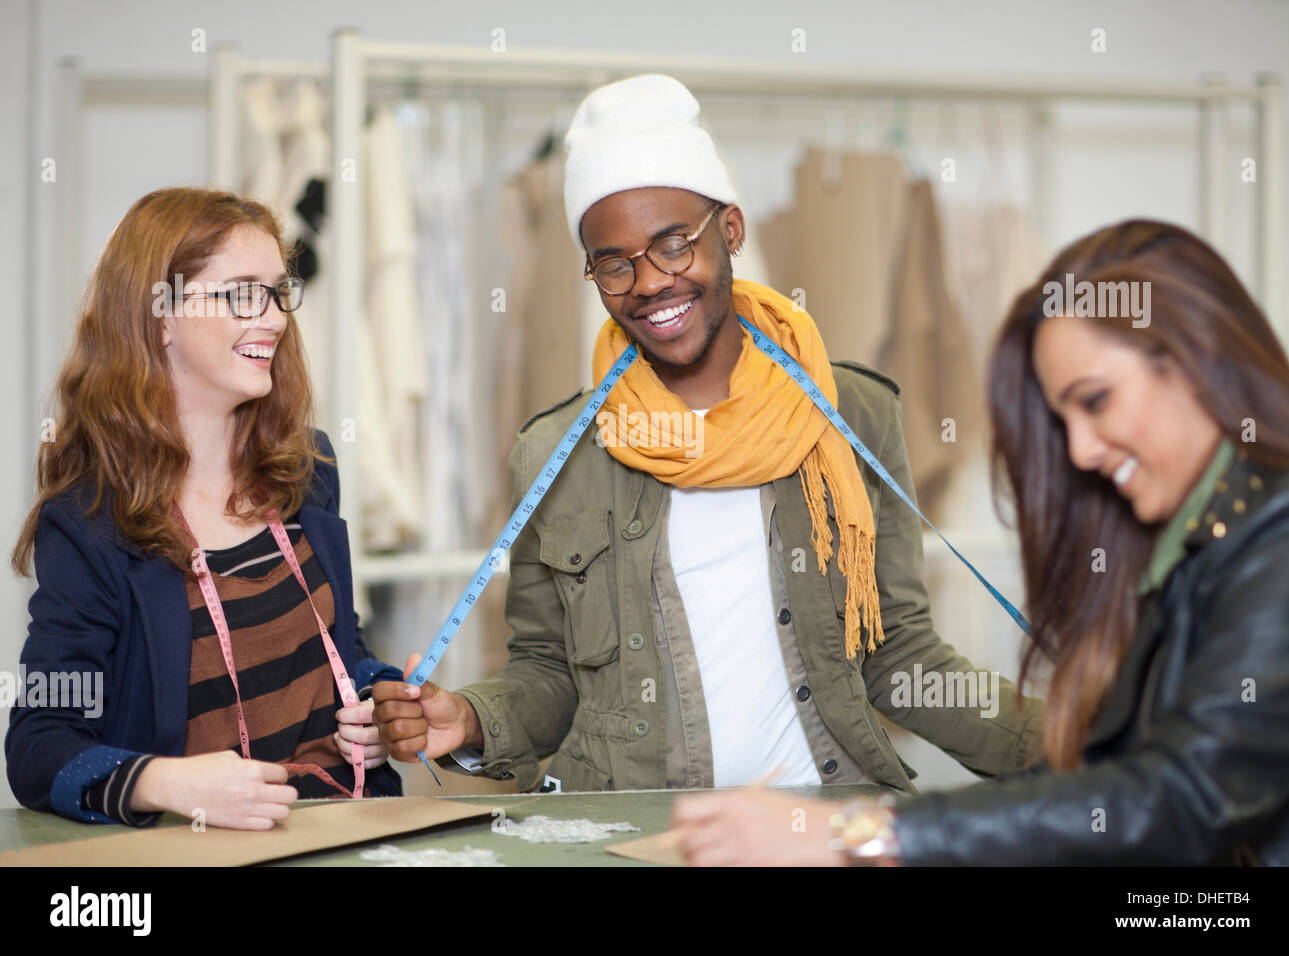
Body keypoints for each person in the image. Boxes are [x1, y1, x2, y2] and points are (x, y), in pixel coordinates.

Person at [373, 74, 1041, 795]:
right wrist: (470, 719)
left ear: (730, 231)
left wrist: (1059, 740)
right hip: (632, 834)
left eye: (672, 244)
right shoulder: (555, 455)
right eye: (613, 262)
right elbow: (548, 675)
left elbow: (899, 657)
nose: (649, 282)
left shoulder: (849, 415)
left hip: (818, 824)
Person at [669, 219, 1289, 865]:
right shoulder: (1192, 545)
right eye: (1064, 420)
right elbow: (1102, 780)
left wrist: (854, 835)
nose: (1080, 450)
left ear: (1200, 355)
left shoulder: (1282, 539)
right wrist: (854, 828)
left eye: (1098, 400)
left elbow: (1181, 799)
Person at [6, 187, 401, 829]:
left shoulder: (308, 468)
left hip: (342, 830)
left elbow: (337, 648)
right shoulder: (92, 523)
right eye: (242, 292)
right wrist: (170, 783)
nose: (273, 318)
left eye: (278, 291)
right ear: (160, 316)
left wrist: (378, 702)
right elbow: (38, 745)